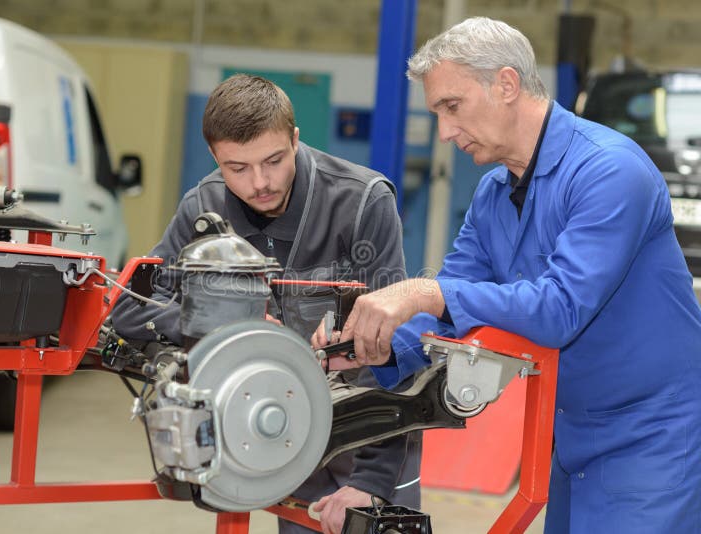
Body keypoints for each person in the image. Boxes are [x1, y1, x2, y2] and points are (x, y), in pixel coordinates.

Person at [320, 17, 701, 533]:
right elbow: (452, 305)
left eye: (452, 107)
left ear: (505, 84)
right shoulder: (494, 193)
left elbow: (559, 308)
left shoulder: (610, 171)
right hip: (570, 437)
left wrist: (422, 291)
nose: (445, 132)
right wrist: (370, 343)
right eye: (437, 113)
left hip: (654, 439)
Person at [111, 74, 421, 534]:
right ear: (214, 156)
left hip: (370, 431)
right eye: (237, 168)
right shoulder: (204, 207)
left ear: (294, 140)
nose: (259, 183)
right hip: (274, 430)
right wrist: (219, 323)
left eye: (273, 161)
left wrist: (372, 481)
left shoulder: (362, 202)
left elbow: (391, 346)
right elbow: (128, 307)